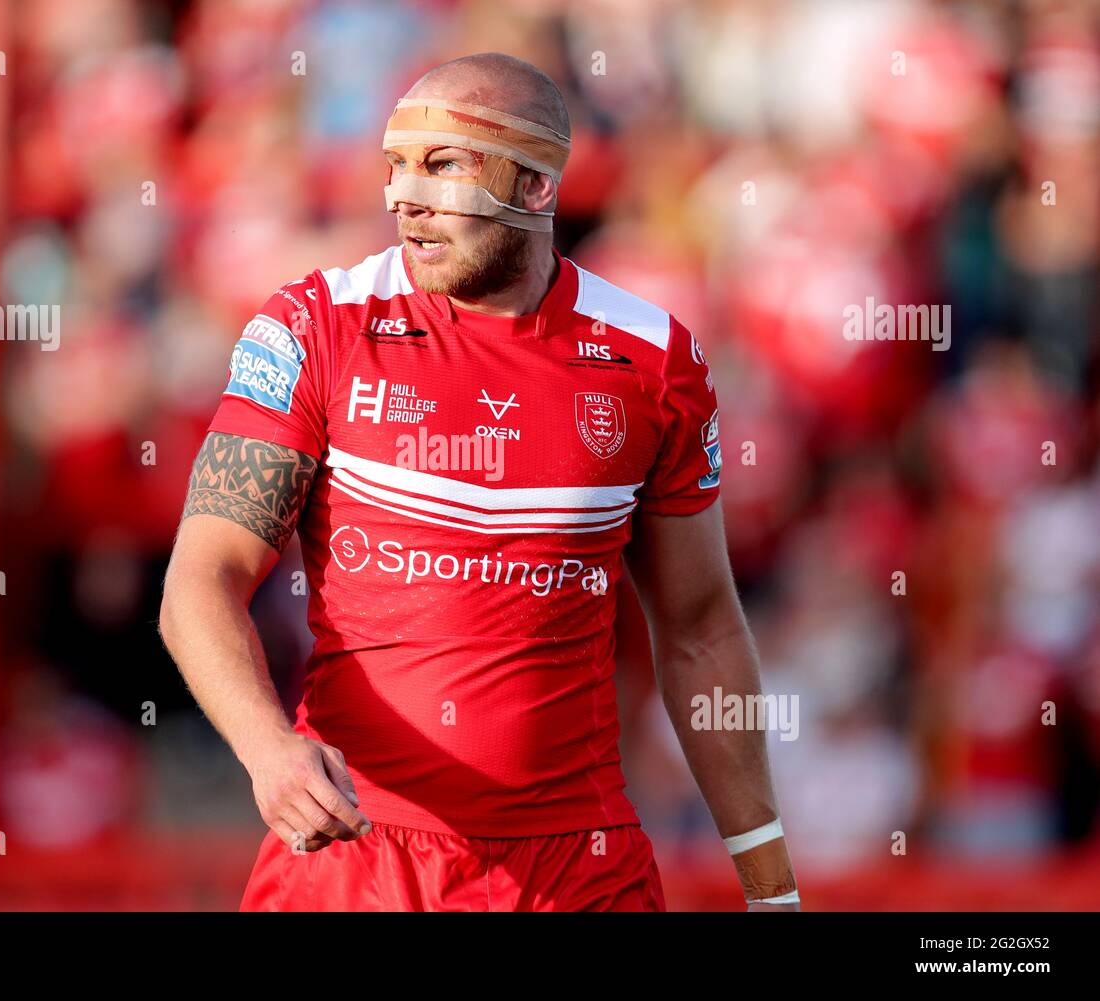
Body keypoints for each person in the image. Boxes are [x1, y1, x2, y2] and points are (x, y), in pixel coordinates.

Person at [159, 52, 798, 912]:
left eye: (443, 166)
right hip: (357, 860)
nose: (403, 197)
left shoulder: (653, 360)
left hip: (576, 870)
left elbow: (701, 629)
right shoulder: (317, 327)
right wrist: (267, 747)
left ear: (536, 190)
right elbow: (202, 579)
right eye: (395, 166)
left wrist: (771, 890)